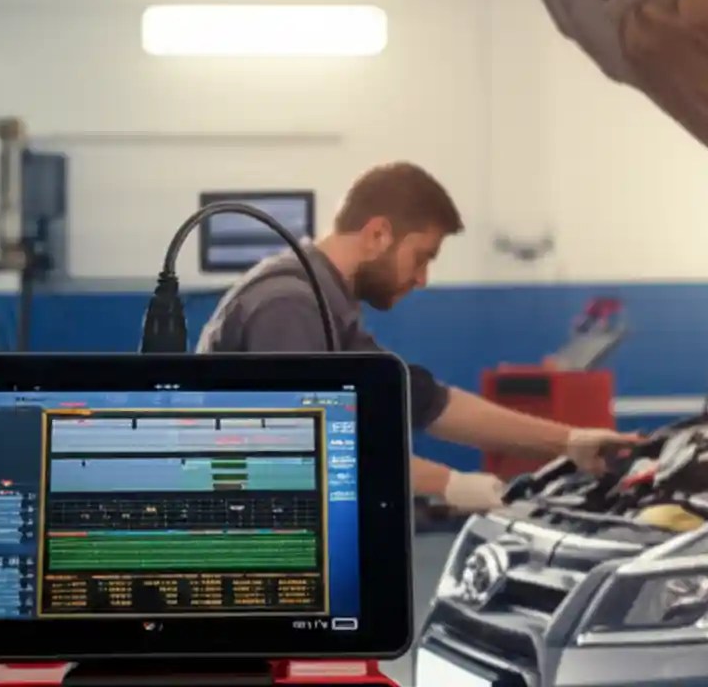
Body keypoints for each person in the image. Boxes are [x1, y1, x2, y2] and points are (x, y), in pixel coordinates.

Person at [197, 161, 643, 513]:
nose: (424, 278)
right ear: (377, 235)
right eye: (422, 257)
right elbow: (305, 452)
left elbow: (424, 401)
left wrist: (569, 442)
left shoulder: (328, 306)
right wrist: (449, 484)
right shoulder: (290, 305)